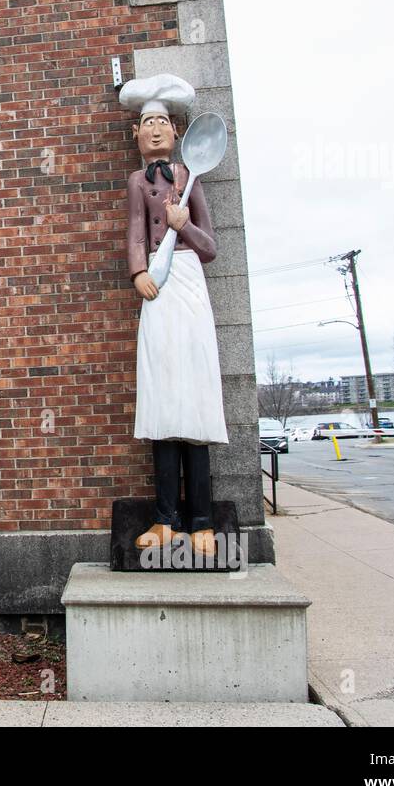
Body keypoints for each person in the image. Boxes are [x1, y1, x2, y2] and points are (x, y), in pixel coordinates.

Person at [120, 74, 228, 557]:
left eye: (163, 121)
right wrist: (137, 271)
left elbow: (210, 247)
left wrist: (186, 228)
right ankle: (164, 519)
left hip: (187, 282)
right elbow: (136, 233)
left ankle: (201, 521)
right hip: (158, 289)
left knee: (195, 395)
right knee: (162, 395)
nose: (156, 130)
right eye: (148, 123)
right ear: (136, 135)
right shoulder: (136, 182)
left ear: (177, 129)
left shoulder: (189, 178)